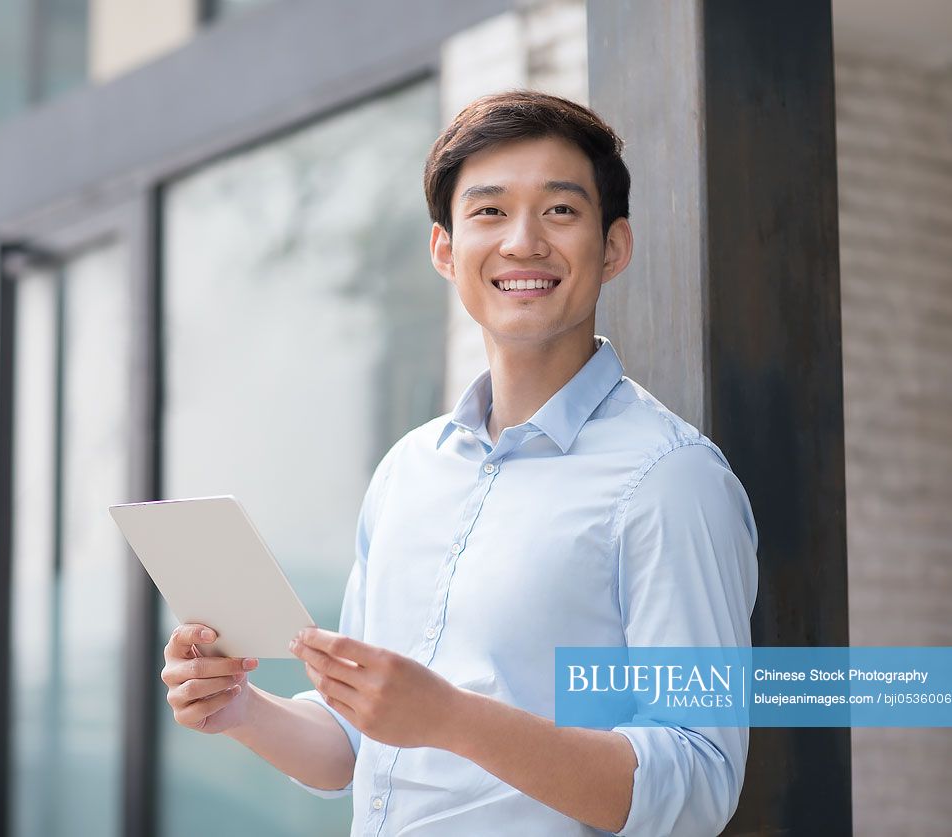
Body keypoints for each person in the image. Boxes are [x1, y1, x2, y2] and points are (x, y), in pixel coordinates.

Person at [160, 90, 759, 836]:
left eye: (560, 211)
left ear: (613, 247)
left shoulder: (672, 479)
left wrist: (450, 718)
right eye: (488, 211)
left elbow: (698, 781)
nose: (522, 242)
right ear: (444, 250)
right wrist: (240, 708)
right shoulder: (407, 472)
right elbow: (353, 744)